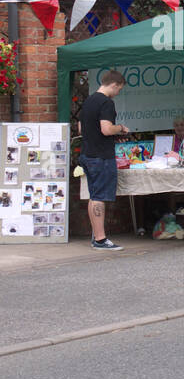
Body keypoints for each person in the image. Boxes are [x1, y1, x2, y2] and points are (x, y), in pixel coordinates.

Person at [78, 69, 129, 250]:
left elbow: (81, 128)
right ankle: (100, 239)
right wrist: (120, 128)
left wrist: (111, 135)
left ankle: (96, 236)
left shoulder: (89, 101)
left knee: (94, 195)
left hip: (87, 154)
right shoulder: (107, 103)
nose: (118, 93)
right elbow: (106, 129)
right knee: (99, 197)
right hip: (101, 157)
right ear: (114, 85)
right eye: (119, 89)